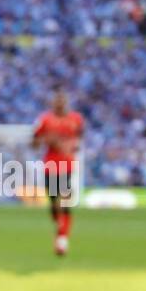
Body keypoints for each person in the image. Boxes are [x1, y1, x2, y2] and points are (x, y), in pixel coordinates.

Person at [32, 91, 85, 256]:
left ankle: (62, 239)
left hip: (67, 166)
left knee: (65, 201)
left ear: (66, 103)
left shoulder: (76, 119)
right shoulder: (45, 120)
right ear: (53, 103)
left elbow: (79, 139)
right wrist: (48, 140)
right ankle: (60, 226)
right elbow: (34, 143)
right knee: (55, 204)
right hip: (50, 166)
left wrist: (73, 146)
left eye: (63, 101)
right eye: (57, 101)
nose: (60, 104)